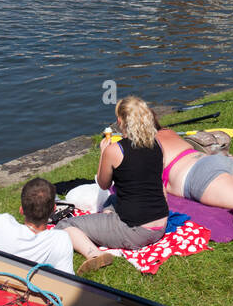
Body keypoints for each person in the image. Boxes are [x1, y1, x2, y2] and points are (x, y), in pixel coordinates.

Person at [53, 96, 170, 273]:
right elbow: (157, 183)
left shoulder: (115, 150)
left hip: (136, 232)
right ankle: (107, 223)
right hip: (160, 224)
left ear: (120, 120)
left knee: (65, 226)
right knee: (111, 202)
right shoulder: (157, 143)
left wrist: (103, 153)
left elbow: (103, 184)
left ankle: (94, 254)